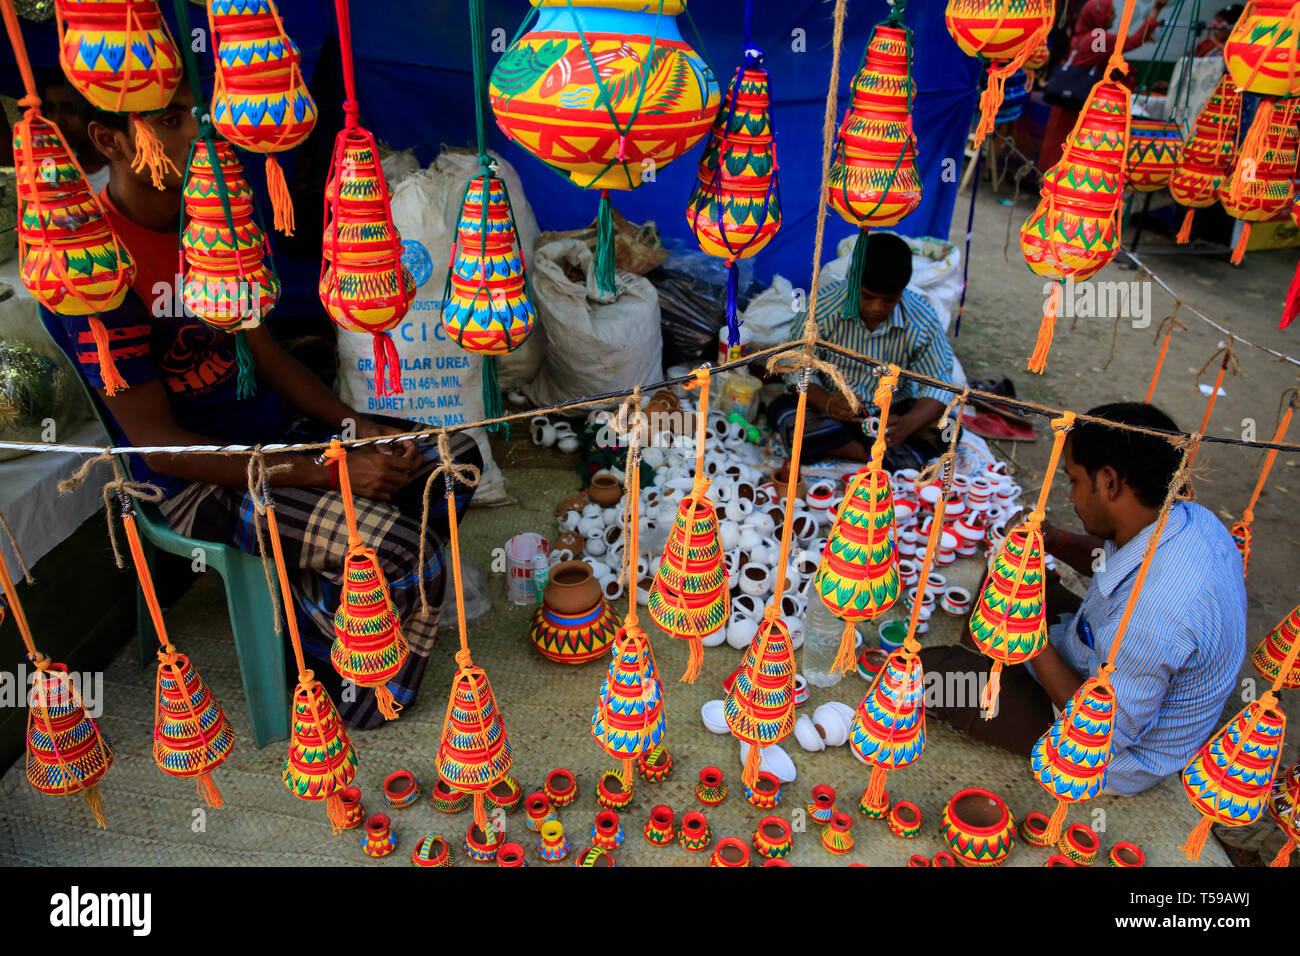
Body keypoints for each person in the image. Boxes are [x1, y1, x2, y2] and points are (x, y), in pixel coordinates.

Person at [40, 82, 481, 730]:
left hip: (281, 438)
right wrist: (325, 471)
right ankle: (351, 685)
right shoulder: (94, 272)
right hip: (193, 483)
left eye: (196, 114)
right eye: (170, 120)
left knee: (449, 459)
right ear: (108, 139)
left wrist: (353, 427)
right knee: (404, 552)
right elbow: (160, 447)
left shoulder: (202, 224)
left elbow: (269, 358)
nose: (198, 134)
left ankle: (326, 598)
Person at [921, 403, 1246, 796]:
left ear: (1109, 483)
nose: (1071, 496)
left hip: (1103, 748)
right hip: (1098, 650)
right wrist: (1055, 540)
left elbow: (1102, 732)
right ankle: (995, 662)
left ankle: (992, 665)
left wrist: (1028, 635)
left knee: (927, 677)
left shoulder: (1156, 615)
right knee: (1011, 572)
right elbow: (1110, 560)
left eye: (1073, 480)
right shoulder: (1184, 518)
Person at [768, 231, 956, 472]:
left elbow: (939, 383)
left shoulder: (922, 317)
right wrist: (826, 402)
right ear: (853, 282)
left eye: (888, 300)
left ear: (902, 291)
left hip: (893, 417)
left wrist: (909, 424)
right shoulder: (825, 305)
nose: (876, 308)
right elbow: (795, 366)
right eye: (867, 296)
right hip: (833, 409)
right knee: (783, 412)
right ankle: (877, 456)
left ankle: (853, 450)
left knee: (947, 429)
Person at [1039, 0, 1167, 172]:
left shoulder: (1081, 36)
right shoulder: (1098, 38)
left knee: (1057, 144)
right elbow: (1134, 41)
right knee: (1070, 147)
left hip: (1066, 100)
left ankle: (1048, 181)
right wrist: (1156, 10)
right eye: (1111, 12)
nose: (1114, 15)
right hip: (1079, 103)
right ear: (1099, 15)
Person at [37, 67, 110, 193]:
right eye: (50, 109)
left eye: (70, 109)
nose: (57, 120)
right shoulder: (51, 171)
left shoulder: (124, 175)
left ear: (95, 111)